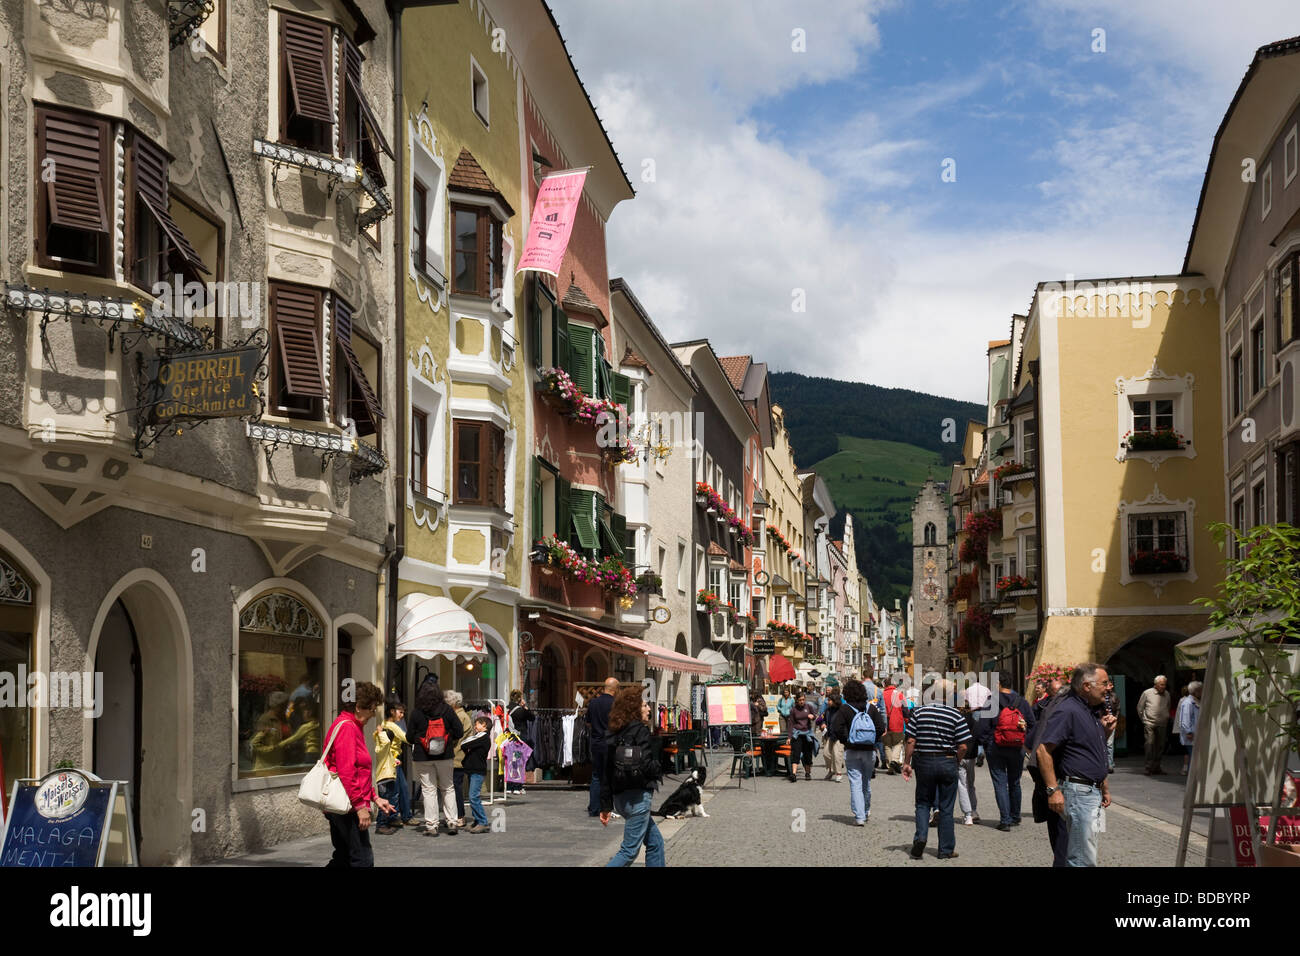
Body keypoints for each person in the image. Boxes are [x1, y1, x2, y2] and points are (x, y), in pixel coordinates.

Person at [1036, 663, 1118, 867]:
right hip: (1078, 792)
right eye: (1104, 683)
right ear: (1087, 686)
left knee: (1083, 854)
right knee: (1082, 859)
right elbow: (1042, 750)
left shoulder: (1088, 709)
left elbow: (1088, 751)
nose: (1108, 687)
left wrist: (1105, 731)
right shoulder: (1068, 710)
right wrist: (1053, 790)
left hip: (1089, 790)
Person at [321, 681, 394, 867]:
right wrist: (360, 806)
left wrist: (374, 798)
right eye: (372, 709)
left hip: (344, 803)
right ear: (359, 708)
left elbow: (359, 771)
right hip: (348, 806)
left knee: (344, 857)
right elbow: (347, 771)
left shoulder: (351, 725)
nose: (373, 714)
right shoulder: (347, 727)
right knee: (362, 859)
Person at [902, 680, 971, 860]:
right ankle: (946, 849)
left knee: (923, 803)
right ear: (949, 695)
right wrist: (955, 760)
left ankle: (921, 837)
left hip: (924, 762)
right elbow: (963, 746)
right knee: (946, 807)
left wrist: (907, 763)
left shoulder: (919, 713)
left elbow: (910, 740)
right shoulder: (956, 715)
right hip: (947, 761)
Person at [599, 689, 666, 866]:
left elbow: (606, 771)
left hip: (620, 798)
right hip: (638, 798)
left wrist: (605, 805)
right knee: (629, 851)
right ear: (634, 709)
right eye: (644, 705)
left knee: (655, 843)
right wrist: (659, 767)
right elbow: (646, 763)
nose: (648, 709)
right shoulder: (640, 731)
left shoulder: (615, 732)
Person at [976, 681, 1035, 832]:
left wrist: (987, 742)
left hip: (996, 747)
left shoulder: (991, 701)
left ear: (999, 683)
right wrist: (1023, 740)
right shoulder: (1022, 702)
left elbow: (982, 726)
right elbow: (1032, 724)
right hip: (1017, 747)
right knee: (1015, 782)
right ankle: (1015, 816)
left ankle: (1005, 820)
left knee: (1000, 783)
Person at [408, 677, 463, 837]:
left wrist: (421, 740)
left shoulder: (417, 712)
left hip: (422, 757)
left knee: (429, 790)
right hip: (445, 755)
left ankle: (432, 825)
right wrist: (447, 738)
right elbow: (459, 731)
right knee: (448, 787)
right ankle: (452, 822)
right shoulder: (447, 710)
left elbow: (409, 736)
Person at [831, 679, 886, 824]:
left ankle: (859, 816)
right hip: (869, 751)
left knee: (855, 782)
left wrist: (846, 740)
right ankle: (866, 810)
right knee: (866, 782)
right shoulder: (871, 708)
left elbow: (836, 727)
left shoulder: (845, 709)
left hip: (852, 750)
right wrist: (872, 740)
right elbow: (881, 727)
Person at [373, 697, 408, 835]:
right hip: (388, 768)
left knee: (393, 793)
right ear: (392, 712)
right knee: (391, 794)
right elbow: (406, 738)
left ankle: (391, 818)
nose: (402, 715)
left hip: (391, 763)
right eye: (401, 712)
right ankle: (384, 823)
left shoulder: (384, 725)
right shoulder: (391, 726)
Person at [586, 678, 618, 817]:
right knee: (610, 776)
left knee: (596, 776)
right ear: (614, 689)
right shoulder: (615, 704)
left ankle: (594, 807)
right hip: (610, 743)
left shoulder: (593, 703)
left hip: (596, 742)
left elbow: (588, 723)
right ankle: (607, 807)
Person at [957, 685, 986, 826]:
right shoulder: (973, 720)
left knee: (962, 784)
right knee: (971, 784)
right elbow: (979, 736)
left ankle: (967, 815)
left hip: (959, 755)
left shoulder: (955, 718)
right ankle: (974, 810)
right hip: (971, 755)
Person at [460, 715, 493, 834]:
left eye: (477, 724)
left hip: (477, 771)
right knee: (472, 796)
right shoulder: (480, 737)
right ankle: (476, 821)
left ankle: (483, 822)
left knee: (474, 797)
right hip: (473, 770)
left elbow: (465, 743)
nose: (475, 726)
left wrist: (465, 745)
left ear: (484, 726)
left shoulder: (483, 737)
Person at [446, 690, 472, 829]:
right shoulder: (459, 715)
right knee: (453, 788)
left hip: (457, 758)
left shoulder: (460, 716)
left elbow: (456, 737)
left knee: (455, 788)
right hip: (456, 757)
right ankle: (455, 815)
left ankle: (460, 815)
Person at [1137, 675, 1171, 775]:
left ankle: (1157, 767)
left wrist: (1166, 717)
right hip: (1150, 723)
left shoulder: (1167, 694)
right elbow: (1140, 707)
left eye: (1164, 685)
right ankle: (1148, 767)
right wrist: (1144, 719)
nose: (1163, 687)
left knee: (1160, 746)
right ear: (1155, 685)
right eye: (1161, 685)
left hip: (1162, 723)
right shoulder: (1147, 693)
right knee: (1150, 744)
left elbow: (1168, 706)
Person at [506, 690, 535, 794]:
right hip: (520, 737)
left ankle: (509, 786)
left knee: (510, 761)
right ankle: (517, 786)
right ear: (519, 699)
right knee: (519, 762)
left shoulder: (507, 708)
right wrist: (525, 707)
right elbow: (532, 718)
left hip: (509, 738)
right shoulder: (521, 710)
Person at [786, 692, 818, 782]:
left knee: (807, 754)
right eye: (800, 700)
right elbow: (791, 724)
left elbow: (815, 716)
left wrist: (813, 716)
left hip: (807, 734)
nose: (802, 702)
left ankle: (807, 773)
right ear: (797, 700)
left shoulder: (809, 707)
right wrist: (789, 737)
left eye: (803, 700)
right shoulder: (793, 710)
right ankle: (794, 774)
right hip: (797, 734)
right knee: (795, 753)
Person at [881, 681, 907, 773]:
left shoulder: (882, 694)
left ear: (885, 685)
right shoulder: (900, 695)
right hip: (897, 723)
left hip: (885, 724)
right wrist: (907, 722)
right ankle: (894, 761)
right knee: (898, 743)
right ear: (894, 685)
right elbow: (905, 711)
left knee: (887, 745)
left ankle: (890, 767)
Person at [1176, 681, 1202, 775]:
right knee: (1193, 757)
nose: (1202, 692)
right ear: (1196, 692)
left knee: (1194, 756)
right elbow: (1185, 719)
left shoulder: (1195, 701)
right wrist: (1189, 732)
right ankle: (1193, 778)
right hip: (1191, 735)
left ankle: (1194, 777)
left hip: (1195, 734)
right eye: (1200, 690)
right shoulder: (1188, 703)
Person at [821, 687, 846, 781]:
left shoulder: (842, 710)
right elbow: (823, 720)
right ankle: (831, 770)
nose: (828, 702)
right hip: (830, 735)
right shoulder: (828, 710)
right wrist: (823, 724)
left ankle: (838, 773)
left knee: (837, 754)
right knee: (826, 753)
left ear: (835, 701)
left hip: (839, 736)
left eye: (829, 700)